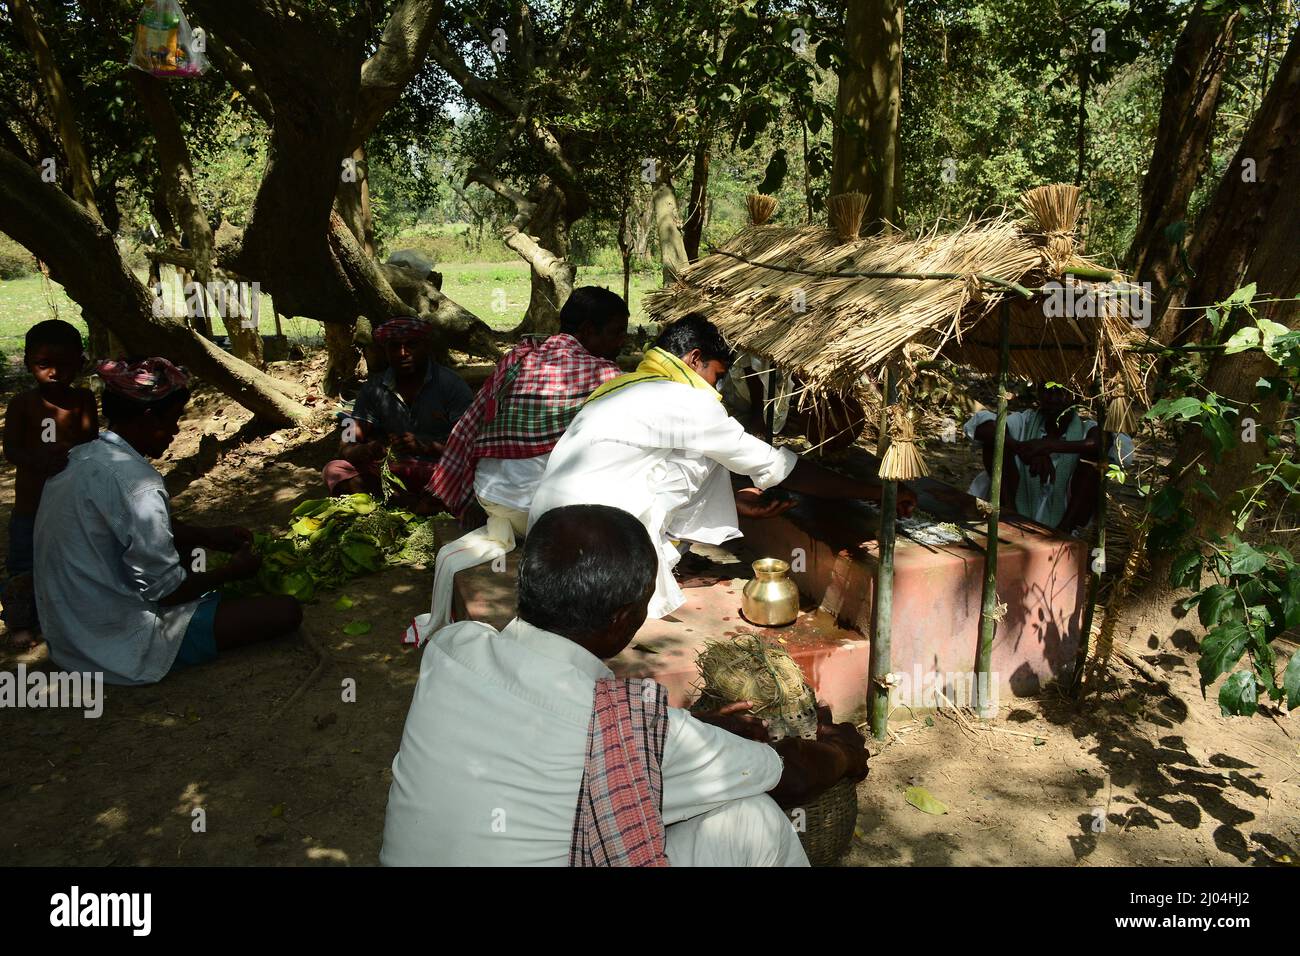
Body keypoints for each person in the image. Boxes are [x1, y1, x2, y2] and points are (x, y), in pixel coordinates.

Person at [381, 504, 869, 866]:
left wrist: (687, 731)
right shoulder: (626, 728)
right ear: (622, 620)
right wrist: (845, 751)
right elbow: (788, 775)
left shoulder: (452, 648)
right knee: (753, 818)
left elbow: (545, 742)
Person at [528, 313, 918, 620]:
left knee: (703, 453)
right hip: (592, 553)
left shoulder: (625, 386)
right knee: (708, 451)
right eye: (717, 375)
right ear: (694, 359)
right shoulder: (685, 402)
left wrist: (734, 499)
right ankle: (633, 583)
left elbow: (665, 468)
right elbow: (783, 468)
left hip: (550, 540)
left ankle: (652, 563)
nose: (716, 388)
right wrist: (878, 491)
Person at [34, 358, 302, 685]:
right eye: (173, 420)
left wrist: (206, 536)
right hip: (114, 644)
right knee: (285, 611)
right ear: (149, 417)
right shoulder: (140, 483)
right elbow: (167, 592)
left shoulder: (82, 456)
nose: (176, 431)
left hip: (68, 639)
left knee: (187, 551)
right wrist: (233, 572)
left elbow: (128, 527)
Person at [412, 287, 627, 642]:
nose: (623, 341)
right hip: (541, 515)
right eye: (617, 331)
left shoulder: (519, 358)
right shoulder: (604, 374)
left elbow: (472, 423)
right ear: (588, 330)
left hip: (490, 498)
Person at [2, 320, 98, 649]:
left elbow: (92, 443)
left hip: (71, 506)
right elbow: (11, 449)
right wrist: (37, 460)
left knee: (69, 562)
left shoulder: (84, 400)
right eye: (44, 365)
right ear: (29, 363)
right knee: (23, 566)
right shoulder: (22, 405)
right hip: (31, 507)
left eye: (64, 365)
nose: (54, 373)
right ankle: (20, 625)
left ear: (80, 364)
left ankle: (62, 618)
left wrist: (72, 453)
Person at [321, 316, 473, 500]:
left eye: (411, 345)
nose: (402, 353)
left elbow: (471, 447)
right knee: (334, 469)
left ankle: (411, 501)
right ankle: (409, 501)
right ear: (385, 351)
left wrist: (426, 446)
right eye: (394, 346)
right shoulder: (372, 388)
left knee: (471, 477)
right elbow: (347, 440)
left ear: (426, 347)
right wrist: (367, 449)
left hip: (438, 471)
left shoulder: (452, 386)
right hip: (391, 471)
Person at [964, 382, 1133, 533]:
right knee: (996, 442)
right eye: (1047, 391)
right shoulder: (1025, 421)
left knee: (1094, 459)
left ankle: (1066, 529)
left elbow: (1116, 450)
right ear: (1037, 392)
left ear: (1077, 397)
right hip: (1015, 504)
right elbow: (980, 426)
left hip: (1069, 515)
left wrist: (1047, 446)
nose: (1053, 399)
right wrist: (1022, 449)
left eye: (1061, 392)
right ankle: (1010, 513)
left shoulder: (1085, 428)